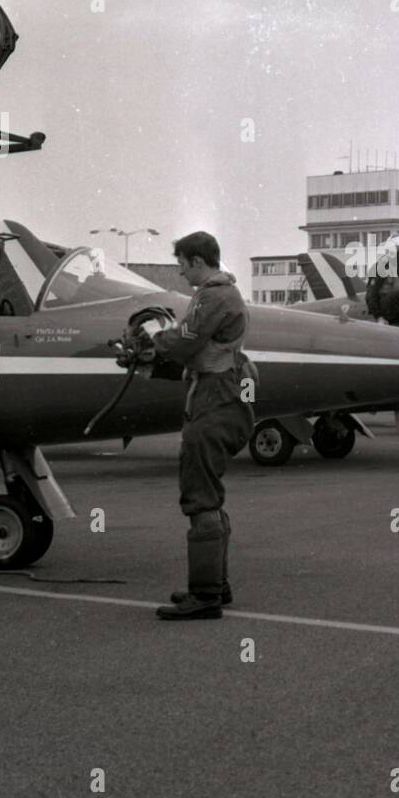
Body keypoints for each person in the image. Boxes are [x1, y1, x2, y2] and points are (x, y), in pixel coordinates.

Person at [144, 232, 255, 620]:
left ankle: (205, 595)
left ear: (196, 261)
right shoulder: (217, 294)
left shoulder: (214, 296)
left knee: (201, 494)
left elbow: (186, 340)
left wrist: (151, 342)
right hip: (219, 394)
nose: (179, 270)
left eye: (182, 263)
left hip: (214, 397)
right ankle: (215, 586)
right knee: (208, 490)